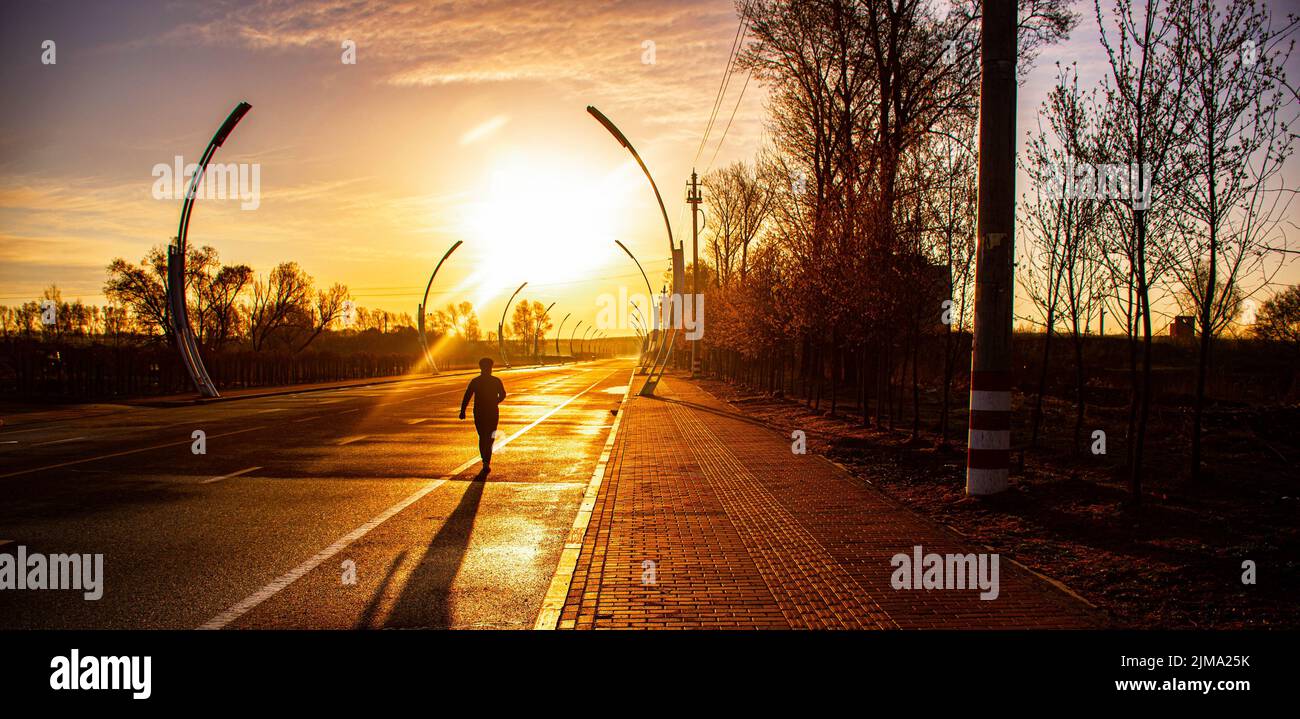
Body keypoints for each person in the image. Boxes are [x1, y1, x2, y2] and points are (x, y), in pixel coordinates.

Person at [459, 357, 507, 472]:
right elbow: (503, 394)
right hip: (492, 412)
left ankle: (484, 460)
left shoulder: (476, 381)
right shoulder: (495, 381)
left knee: (482, 437)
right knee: (490, 437)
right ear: (491, 368)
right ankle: (486, 461)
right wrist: (495, 402)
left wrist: (463, 410)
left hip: (479, 411)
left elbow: (467, 396)